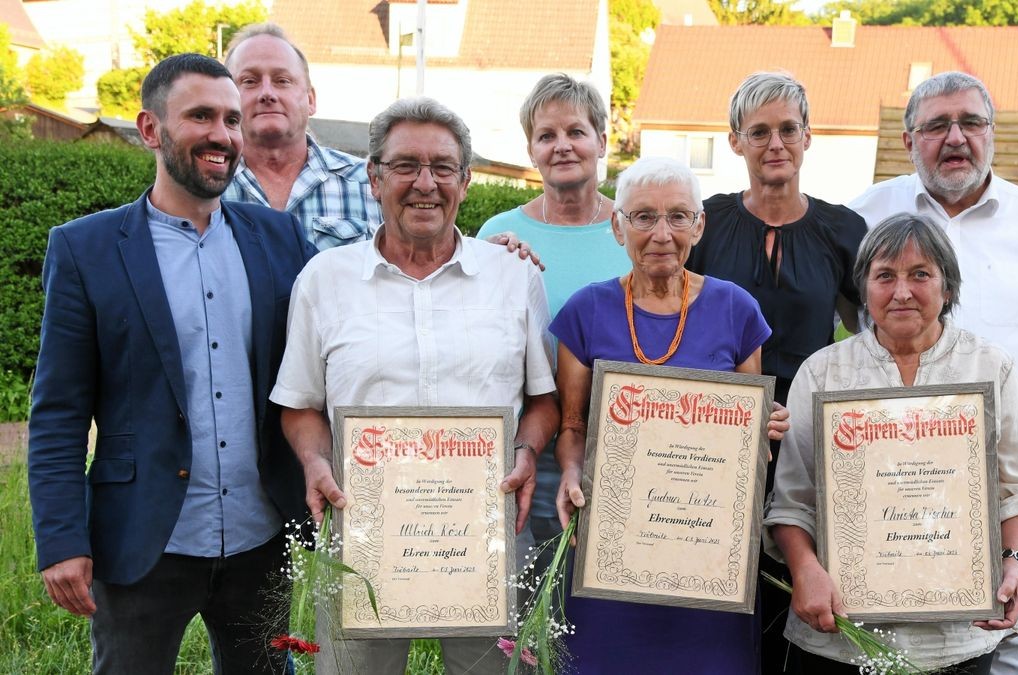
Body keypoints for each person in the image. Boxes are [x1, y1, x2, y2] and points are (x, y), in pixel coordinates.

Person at [27, 53, 315, 673]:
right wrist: (61, 540)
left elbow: (363, 300)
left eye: (232, 120)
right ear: (151, 129)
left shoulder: (279, 238)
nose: (223, 135)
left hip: (260, 535)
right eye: (202, 116)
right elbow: (59, 412)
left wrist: (490, 252)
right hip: (141, 539)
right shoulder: (85, 249)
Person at [269, 96, 559, 674]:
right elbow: (299, 405)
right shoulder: (325, 280)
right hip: (364, 537)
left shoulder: (514, 276)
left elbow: (543, 400)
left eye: (442, 167)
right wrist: (313, 461)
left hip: (487, 537)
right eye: (405, 165)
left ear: (466, 181)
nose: (424, 183)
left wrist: (527, 451)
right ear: (374, 179)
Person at [846, 71, 1018, 675]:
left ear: (992, 133)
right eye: (937, 125)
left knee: (1009, 626)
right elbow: (844, 327)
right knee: (899, 628)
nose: (956, 137)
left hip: (1017, 467)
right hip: (897, 460)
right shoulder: (862, 217)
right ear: (908, 138)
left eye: (971, 122)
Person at [765, 213, 1018, 673]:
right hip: (838, 638)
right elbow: (792, 502)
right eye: (885, 276)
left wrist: (1013, 563)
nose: (902, 291)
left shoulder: (990, 368)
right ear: (863, 289)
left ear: (948, 288)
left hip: (957, 640)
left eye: (920, 274)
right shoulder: (823, 373)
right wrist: (804, 569)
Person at [553, 156, 789, 674]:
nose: (662, 233)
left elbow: (751, 430)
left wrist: (764, 425)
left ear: (699, 225)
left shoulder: (736, 309)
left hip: (706, 550)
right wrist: (571, 469)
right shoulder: (584, 310)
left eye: (678, 216)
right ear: (619, 227)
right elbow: (571, 426)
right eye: (643, 217)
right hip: (612, 551)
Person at [684, 70, 867, 672]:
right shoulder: (704, 223)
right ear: (734, 141)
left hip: (811, 442)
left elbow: (872, 336)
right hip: (720, 438)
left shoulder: (844, 232)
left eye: (788, 129)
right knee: (720, 593)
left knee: (796, 594)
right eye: (758, 131)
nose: (775, 144)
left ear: (809, 136)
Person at [476, 73, 630, 552]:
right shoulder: (498, 235)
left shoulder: (638, 229)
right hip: (524, 449)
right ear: (531, 150)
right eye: (547, 136)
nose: (562, 146)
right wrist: (492, 266)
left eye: (576, 132)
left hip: (620, 448)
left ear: (602, 141)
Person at [222, 22, 381, 250]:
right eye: (249, 81)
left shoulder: (370, 186)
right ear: (226, 99)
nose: (267, 93)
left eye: (282, 81)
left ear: (311, 100)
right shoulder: (204, 189)